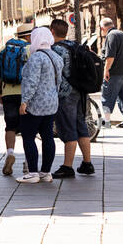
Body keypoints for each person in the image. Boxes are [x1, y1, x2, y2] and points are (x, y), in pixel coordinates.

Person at [50, 17, 95, 178]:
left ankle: (67, 166)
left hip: (65, 94)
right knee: (80, 126)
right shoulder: (74, 45)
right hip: (80, 91)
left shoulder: (55, 49)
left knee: (68, 128)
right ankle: (87, 163)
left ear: (52, 31)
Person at [18, 26, 63, 184]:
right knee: (48, 137)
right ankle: (46, 172)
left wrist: (24, 101)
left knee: (28, 137)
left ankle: (32, 172)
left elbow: (31, 81)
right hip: (51, 103)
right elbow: (59, 82)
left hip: (35, 104)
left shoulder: (36, 57)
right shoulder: (56, 57)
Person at [0, 22, 32, 176]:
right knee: (28, 127)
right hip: (25, 94)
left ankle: (10, 154)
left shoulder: (5, 48)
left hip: (8, 93)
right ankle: (29, 162)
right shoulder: (30, 49)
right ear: (29, 36)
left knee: (10, 126)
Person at [99, 17, 123, 129]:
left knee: (107, 95)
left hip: (115, 72)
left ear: (102, 28)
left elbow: (110, 56)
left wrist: (106, 70)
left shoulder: (111, 36)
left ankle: (106, 121)